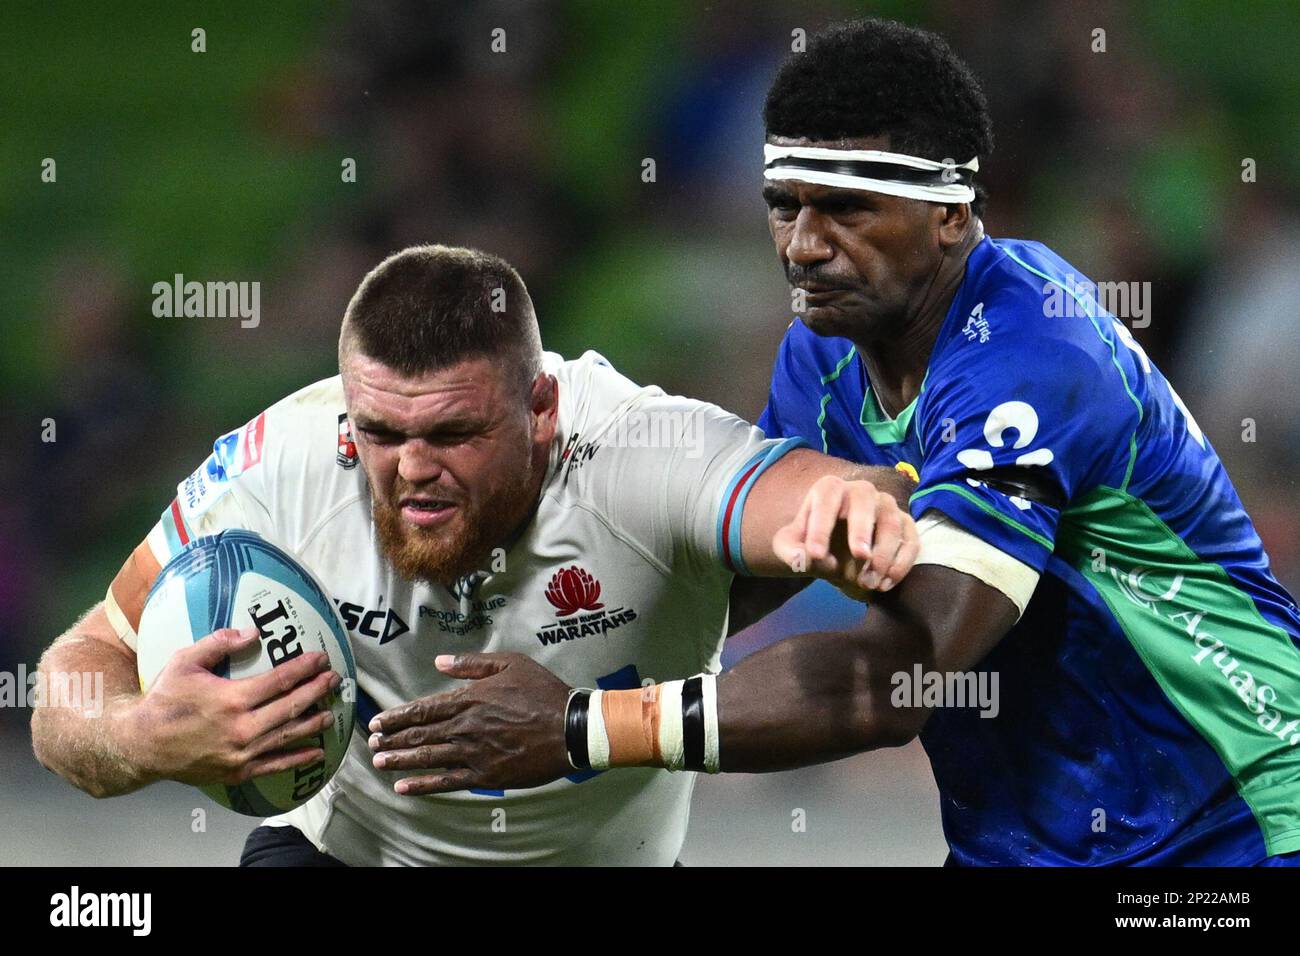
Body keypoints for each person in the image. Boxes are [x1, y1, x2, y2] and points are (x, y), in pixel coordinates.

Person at [393, 20, 1300, 866]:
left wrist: (579, 726)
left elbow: (904, 674)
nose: (802, 247)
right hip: (1026, 840)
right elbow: (740, 579)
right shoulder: (825, 346)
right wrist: (508, 646)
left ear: (952, 212)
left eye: (847, 210)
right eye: (784, 205)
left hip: (1239, 821)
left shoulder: (1032, 351)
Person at [30, 243, 920, 866]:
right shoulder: (282, 464)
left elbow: (822, 497)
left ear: (540, 409)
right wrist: (140, 736)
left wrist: (850, 508)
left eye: (453, 432)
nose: (413, 471)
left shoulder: (640, 454)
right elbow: (79, 670)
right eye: (380, 431)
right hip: (342, 856)